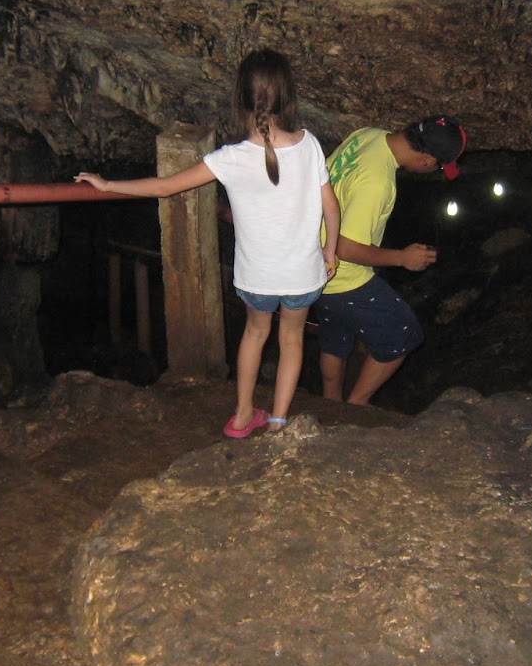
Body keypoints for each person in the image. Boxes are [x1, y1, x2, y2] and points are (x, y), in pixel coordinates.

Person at [76, 50, 339, 437]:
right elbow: (330, 207)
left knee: (254, 334)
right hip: (303, 273)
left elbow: (165, 186)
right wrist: (330, 251)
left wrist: (109, 183)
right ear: (288, 96)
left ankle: (244, 414)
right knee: (292, 338)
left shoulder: (229, 158)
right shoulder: (309, 145)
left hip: (257, 277)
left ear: (240, 101)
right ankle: (280, 422)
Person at [317, 115, 467, 405]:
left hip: (312, 265)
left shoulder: (367, 135)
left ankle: (330, 403)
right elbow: (346, 247)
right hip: (341, 275)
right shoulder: (378, 182)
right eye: (437, 166)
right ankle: (356, 407)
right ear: (426, 161)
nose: (431, 170)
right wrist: (402, 258)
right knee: (404, 334)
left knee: (337, 335)